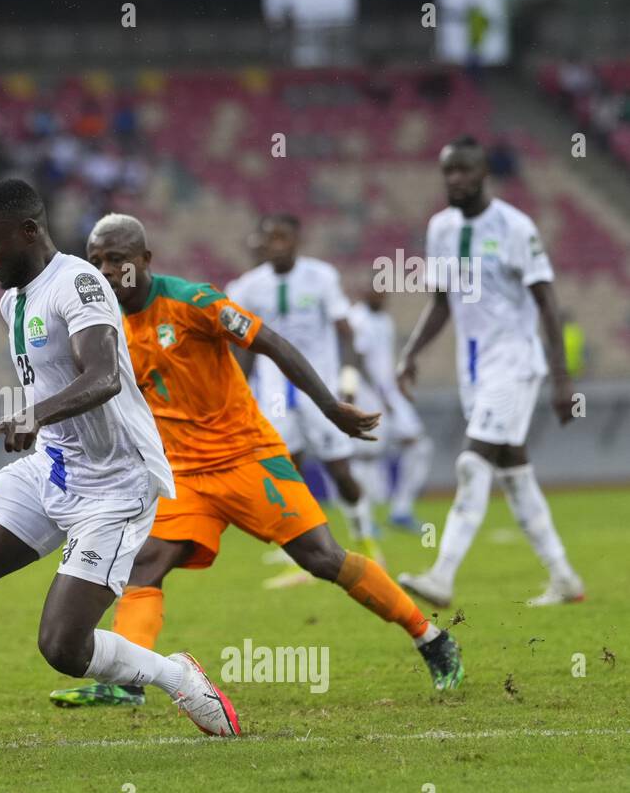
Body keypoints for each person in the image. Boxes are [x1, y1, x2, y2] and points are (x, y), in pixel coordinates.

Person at [48, 214, 463, 708]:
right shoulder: (103, 327)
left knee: (322, 559)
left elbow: (269, 342)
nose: (108, 270)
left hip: (248, 457)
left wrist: (330, 407)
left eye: (117, 259)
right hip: (185, 475)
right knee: (145, 567)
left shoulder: (193, 301)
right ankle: (129, 680)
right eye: (96, 261)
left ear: (144, 260)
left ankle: (431, 637)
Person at [0, 179, 239, 738]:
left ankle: (174, 674)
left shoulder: (78, 283)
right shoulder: (14, 299)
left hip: (115, 484)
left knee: (62, 646)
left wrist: (35, 415)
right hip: (52, 467)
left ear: (29, 231)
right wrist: (32, 418)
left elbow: (101, 376)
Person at [396, 137, 585, 608]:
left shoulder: (516, 227)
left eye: (463, 170)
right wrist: (411, 352)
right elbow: (442, 302)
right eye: (448, 171)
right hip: (473, 367)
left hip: (515, 361)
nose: (454, 179)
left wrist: (562, 378)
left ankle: (442, 574)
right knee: (514, 472)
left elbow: (547, 301)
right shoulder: (440, 228)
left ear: (483, 174)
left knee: (471, 460)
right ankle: (564, 577)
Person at [224, 215, 384, 586]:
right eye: (271, 238)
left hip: (320, 390)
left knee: (340, 471)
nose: (277, 244)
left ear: (298, 239)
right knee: (285, 475)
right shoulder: (248, 287)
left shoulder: (322, 277)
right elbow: (243, 349)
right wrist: (237, 391)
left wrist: (346, 382)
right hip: (274, 394)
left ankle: (368, 542)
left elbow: (346, 334)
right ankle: (299, 559)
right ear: (263, 243)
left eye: (284, 237)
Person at [347, 285, 433, 531]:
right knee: (365, 456)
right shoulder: (357, 319)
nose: (383, 299)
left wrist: (394, 387)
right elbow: (355, 359)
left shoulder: (384, 320)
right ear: (365, 294)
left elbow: (383, 360)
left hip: (389, 393)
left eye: (385, 294)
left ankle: (401, 511)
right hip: (367, 394)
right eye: (377, 294)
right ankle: (365, 521)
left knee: (419, 445)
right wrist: (363, 394)